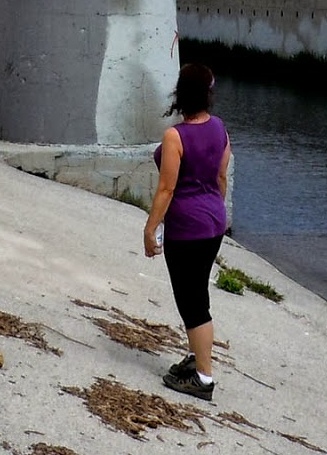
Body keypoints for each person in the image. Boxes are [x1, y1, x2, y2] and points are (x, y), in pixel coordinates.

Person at [143, 63, 232, 401]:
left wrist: (151, 230)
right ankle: (197, 358)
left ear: (180, 95)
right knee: (198, 294)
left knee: (192, 303)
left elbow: (166, 189)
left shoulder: (175, 136)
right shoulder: (220, 129)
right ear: (207, 95)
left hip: (186, 230)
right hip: (213, 224)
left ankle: (204, 380)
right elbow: (221, 178)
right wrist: (214, 211)